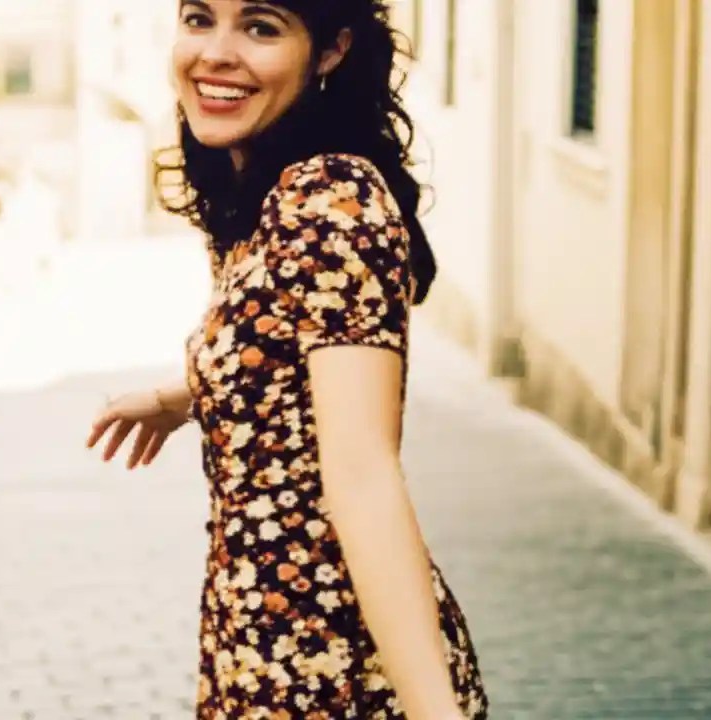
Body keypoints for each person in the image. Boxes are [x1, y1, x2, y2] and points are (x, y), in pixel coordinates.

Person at [86, 1, 489, 717]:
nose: (216, 52)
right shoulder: (263, 190)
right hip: (257, 652)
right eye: (199, 18)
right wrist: (187, 395)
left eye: (261, 27)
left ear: (330, 51)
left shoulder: (330, 200)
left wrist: (434, 711)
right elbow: (288, 349)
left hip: (335, 666)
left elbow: (363, 472)